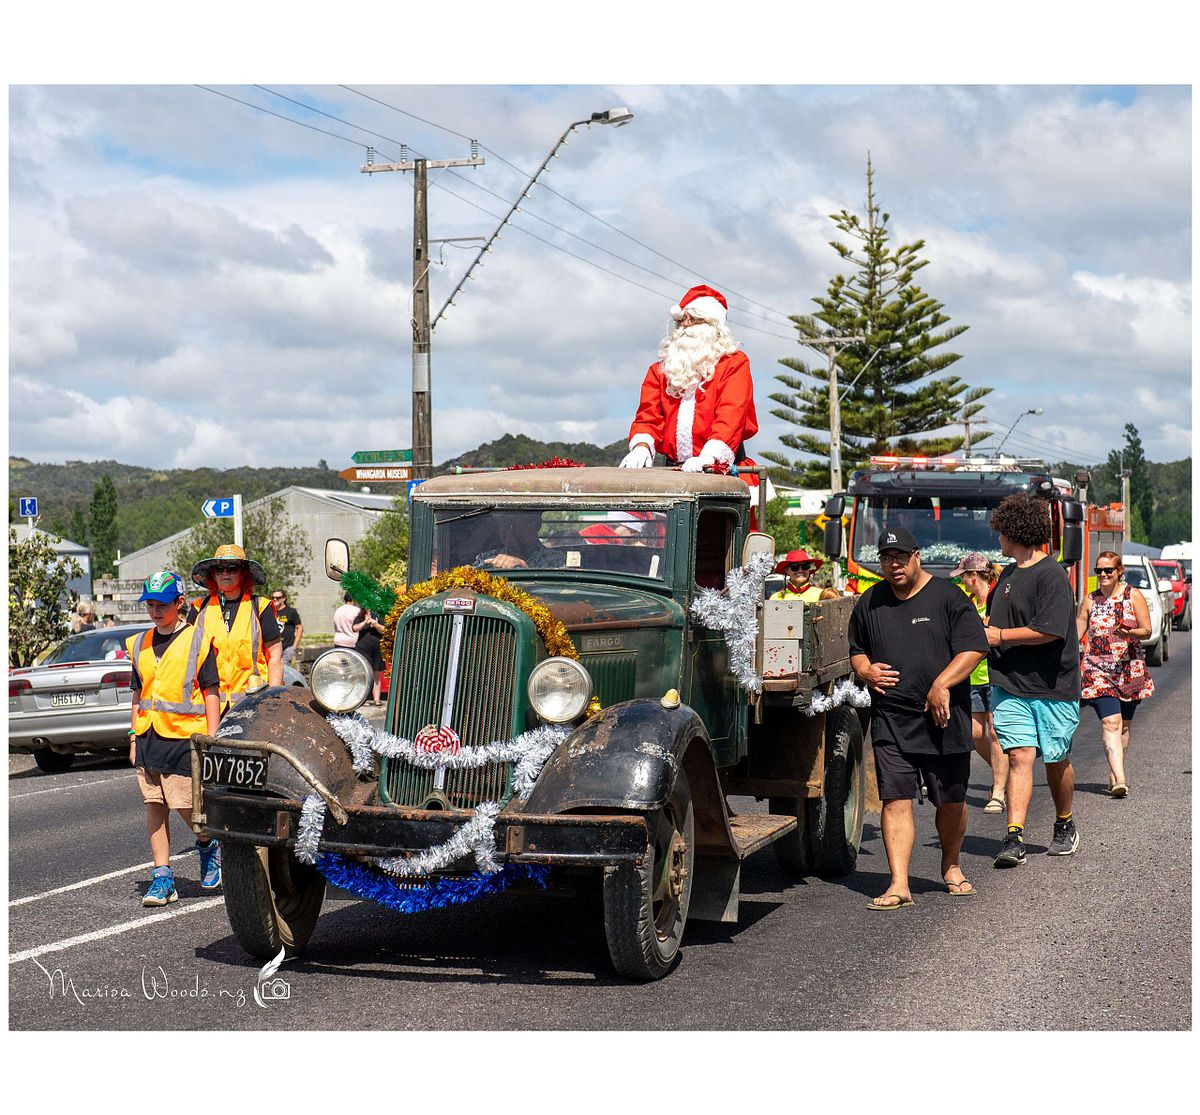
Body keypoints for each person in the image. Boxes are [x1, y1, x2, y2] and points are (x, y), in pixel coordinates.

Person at [848, 526, 988, 909]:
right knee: (895, 799)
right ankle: (898, 884)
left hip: (944, 720)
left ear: (916, 556)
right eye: (886, 558)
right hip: (892, 718)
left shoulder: (948, 597)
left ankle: (951, 865)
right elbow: (856, 649)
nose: (893, 565)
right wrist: (865, 671)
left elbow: (974, 649)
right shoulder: (870, 602)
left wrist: (942, 683)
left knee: (952, 802)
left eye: (900, 557)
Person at [986, 493, 1082, 867]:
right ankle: (1014, 837)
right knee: (1020, 756)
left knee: (1055, 759)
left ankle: (1064, 824)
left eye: (1001, 532)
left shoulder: (1052, 574)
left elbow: (1050, 630)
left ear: (1014, 532)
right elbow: (996, 626)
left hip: (1053, 686)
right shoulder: (1008, 575)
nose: (998, 539)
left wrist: (1000, 637)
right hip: (1010, 684)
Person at [126, 571, 222, 906]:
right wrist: (133, 736)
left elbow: (211, 691)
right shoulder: (139, 643)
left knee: (185, 805)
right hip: (148, 735)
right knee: (154, 805)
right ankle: (162, 877)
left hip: (184, 738)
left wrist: (212, 737)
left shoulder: (198, 640)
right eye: (150, 604)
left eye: (162, 604)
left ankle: (208, 845)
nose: (154, 610)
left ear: (179, 603)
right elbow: (138, 694)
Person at [619, 285, 763, 492]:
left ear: (714, 326)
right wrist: (641, 447)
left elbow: (732, 414)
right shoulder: (660, 370)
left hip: (721, 473)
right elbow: (647, 417)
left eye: (693, 319)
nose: (685, 326)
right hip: (671, 476)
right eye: (680, 321)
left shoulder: (734, 364)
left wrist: (710, 457)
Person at [1076, 551, 1153, 797]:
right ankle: (1120, 779)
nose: (1103, 575)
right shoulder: (1090, 600)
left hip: (1129, 669)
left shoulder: (1133, 595)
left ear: (1119, 571)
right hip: (1097, 670)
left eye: (1108, 570)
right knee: (1111, 722)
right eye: (1099, 570)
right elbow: (1076, 633)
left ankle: (1114, 770)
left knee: (1124, 726)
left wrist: (1130, 633)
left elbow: (1147, 630)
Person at [189, 544, 282, 710]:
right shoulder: (198, 608)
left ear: (243, 574)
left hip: (252, 702)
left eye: (232, 568)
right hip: (208, 705)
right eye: (219, 569)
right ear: (213, 575)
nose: (225, 573)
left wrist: (273, 699)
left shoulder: (260, 607)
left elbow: (275, 657)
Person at [951, 552, 1010, 813]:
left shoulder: (999, 600)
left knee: (997, 733)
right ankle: (1003, 770)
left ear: (973, 576)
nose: (962, 582)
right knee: (976, 735)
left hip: (998, 675)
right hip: (974, 676)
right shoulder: (969, 603)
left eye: (963, 577)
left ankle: (998, 791)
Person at [474, 512, 566, 571]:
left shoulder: (555, 559)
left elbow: (553, 592)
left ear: (537, 525)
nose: (511, 530)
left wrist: (523, 568)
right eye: (505, 523)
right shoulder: (487, 557)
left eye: (519, 523)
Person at [353, 607, 386, 705]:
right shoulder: (359, 617)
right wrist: (365, 622)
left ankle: (376, 699)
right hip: (363, 648)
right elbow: (354, 628)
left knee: (377, 673)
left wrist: (376, 624)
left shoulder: (380, 616)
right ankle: (364, 699)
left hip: (377, 647)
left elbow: (384, 630)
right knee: (364, 674)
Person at [272, 589, 304, 667]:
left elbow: (299, 627)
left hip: (288, 647)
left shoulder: (291, 611)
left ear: (284, 598)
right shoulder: (270, 612)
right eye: (273, 598)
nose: (275, 599)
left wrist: (294, 646)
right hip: (274, 648)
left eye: (278, 597)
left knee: (284, 668)